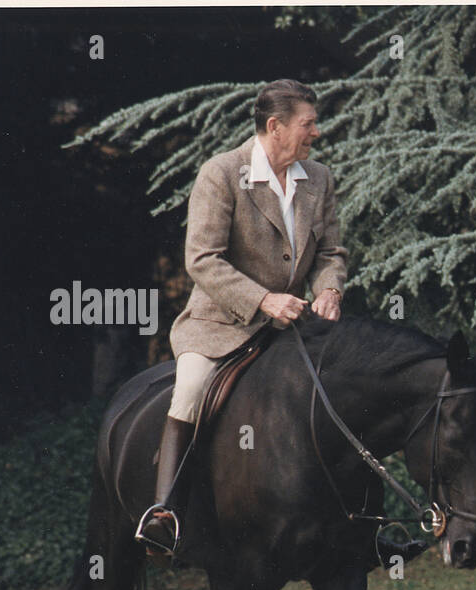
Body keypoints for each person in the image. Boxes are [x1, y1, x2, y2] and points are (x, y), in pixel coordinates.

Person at [136, 79, 347, 555]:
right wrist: (262, 300)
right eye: (308, 124)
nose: (316, 133)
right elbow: (203, 260)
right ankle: (164, 512)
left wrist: (329, 288)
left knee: (347, 387)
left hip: (293, 324)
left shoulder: (319, 178)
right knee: (189, 389)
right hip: (220, 324)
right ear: (275, 127)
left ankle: (357, 520)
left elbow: (331, 252)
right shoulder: (222, 174)